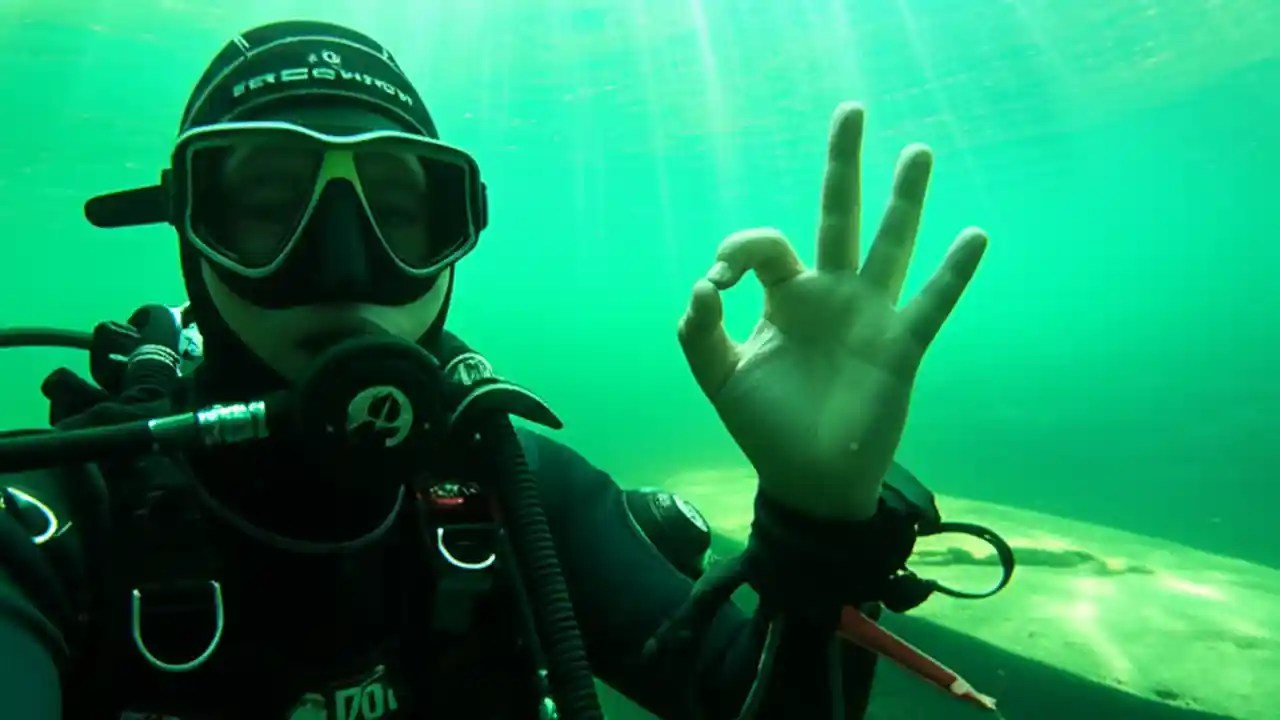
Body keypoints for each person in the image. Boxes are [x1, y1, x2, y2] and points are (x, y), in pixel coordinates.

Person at [0, 19, 988, 720]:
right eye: (263, 204)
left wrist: (816, 531)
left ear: (453, 233)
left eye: (396, 208)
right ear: (189, 236)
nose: (345, 268)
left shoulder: (514, 495)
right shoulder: (61, 521)